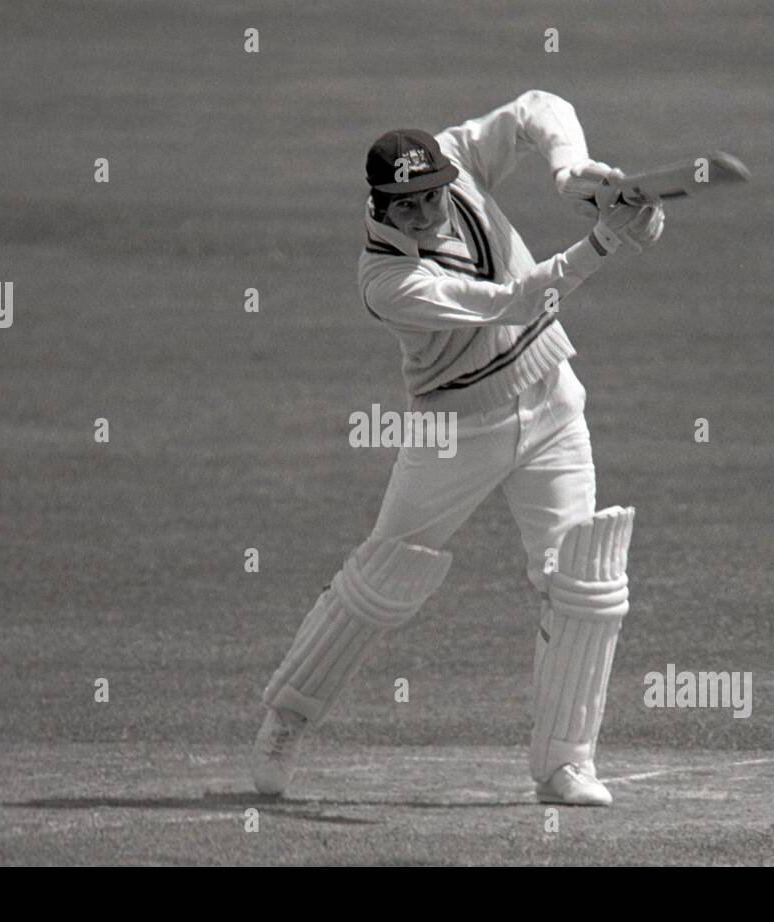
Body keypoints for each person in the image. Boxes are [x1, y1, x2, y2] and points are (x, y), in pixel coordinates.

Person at [253, 90, 665, 805]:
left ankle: (566, 762)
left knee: (583, 578)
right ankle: (288, 718)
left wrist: (573, 173)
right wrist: (605, 241)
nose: (424, 212)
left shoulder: (461, 157)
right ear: (378, 204)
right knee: (385, 577)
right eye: (404, 204)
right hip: (455, 430)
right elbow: (509, 301)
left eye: (431, 197)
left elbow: (539, 104)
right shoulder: (387, 280)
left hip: (552, 402)